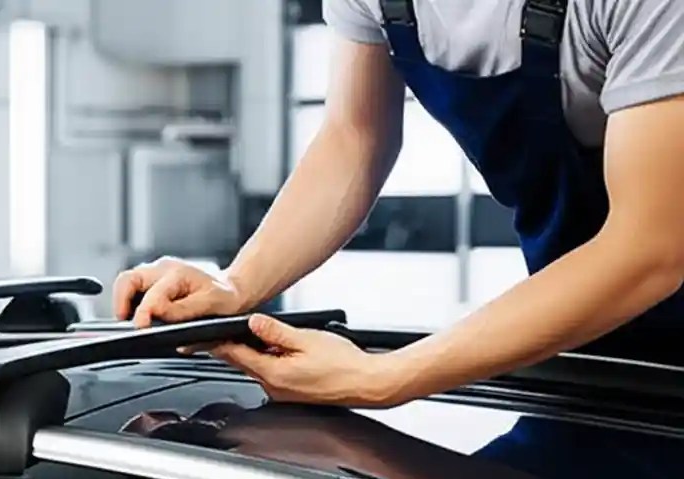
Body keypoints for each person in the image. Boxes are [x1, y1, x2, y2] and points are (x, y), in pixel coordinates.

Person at [113, 0, 684, 408]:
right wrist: (236, 286)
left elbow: (651, 247)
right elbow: (354, 140)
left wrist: (384, 379)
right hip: (585, 348)